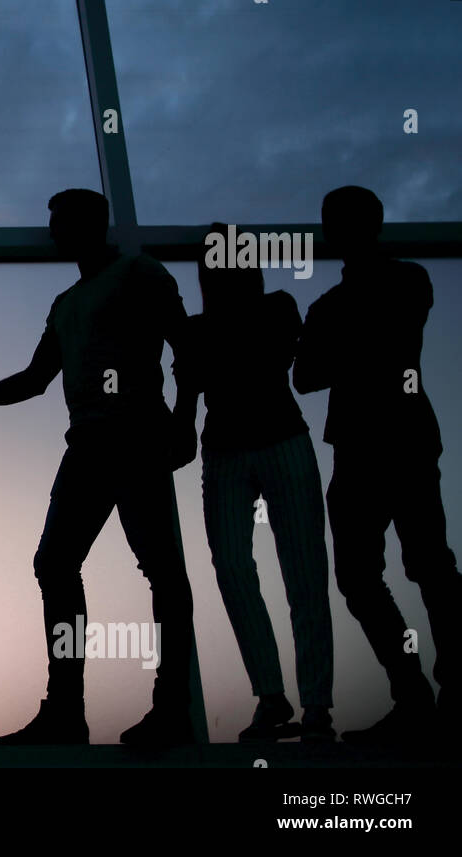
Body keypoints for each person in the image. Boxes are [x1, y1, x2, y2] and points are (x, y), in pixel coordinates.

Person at [0, 189, 199, 746]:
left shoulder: (140, 273)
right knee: (54, 563)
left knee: (160, 569)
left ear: (90, 223)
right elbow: (34, 380)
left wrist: (184, 420)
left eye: (59, 222)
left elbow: (187, 347)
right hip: (86, 446)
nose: (53, 232)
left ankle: (172, 708)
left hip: (137, 435)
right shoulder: (65, 303)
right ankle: (65, 711)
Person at [293, 185, 461, 744]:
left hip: (401, 442)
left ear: (371, 224)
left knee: (429, 567)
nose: (332, 230)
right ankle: (414, 697)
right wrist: (354, 348)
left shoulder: (403, 281)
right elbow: (307, 375)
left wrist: (343, 347)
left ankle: (440, 696)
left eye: (339, 220)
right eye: (329, 220)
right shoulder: (335, 304)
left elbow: (355, 353)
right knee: (364, 579)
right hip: (360, 450)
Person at [176, 223, 334, 743]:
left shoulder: (272, 309)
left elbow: (262, 363)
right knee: (238, 570)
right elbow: (196, 388)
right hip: (231, 448)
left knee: (302, 568)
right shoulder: (218, 325)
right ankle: (276, 696)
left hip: (275, 441)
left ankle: (310, 704)